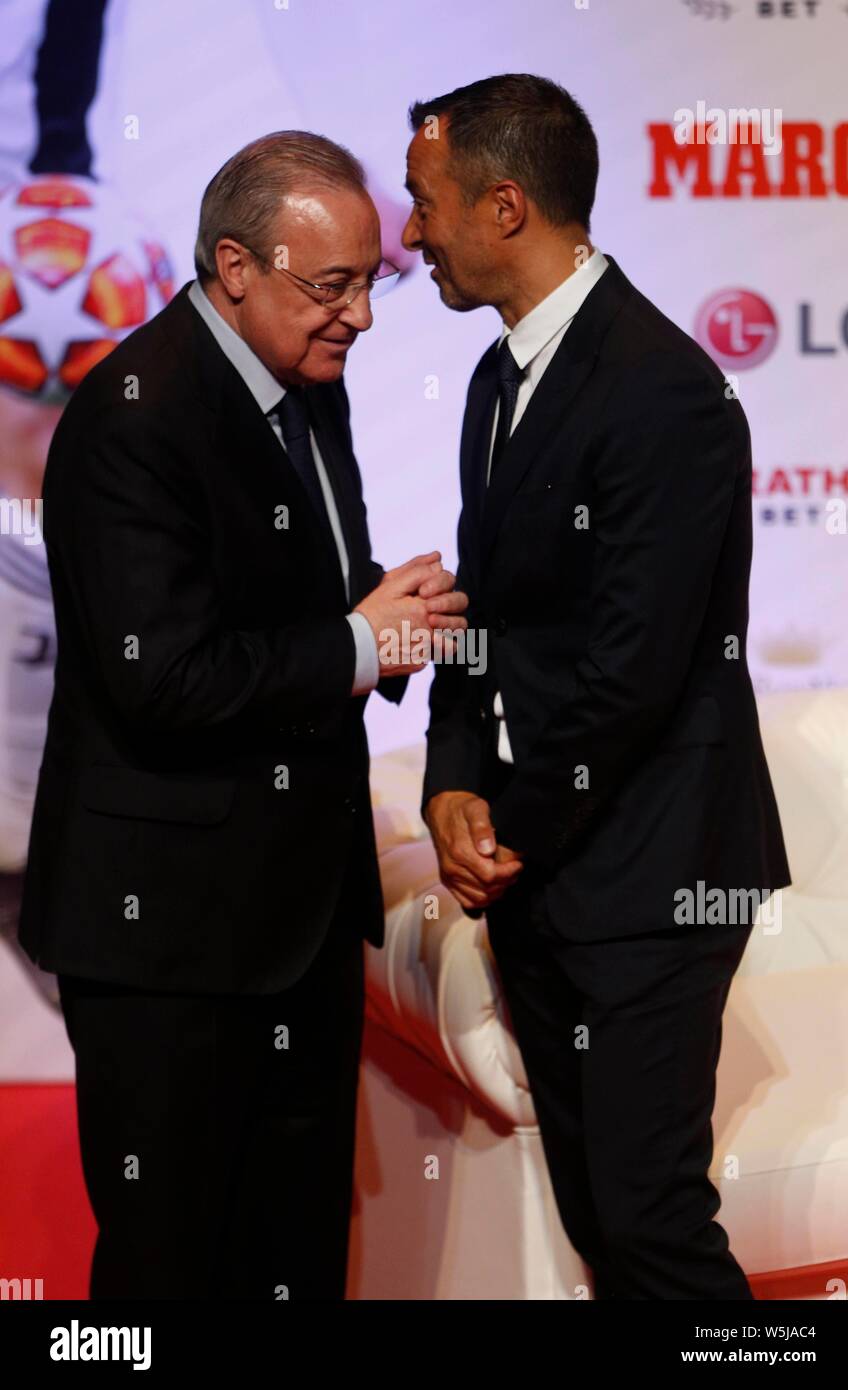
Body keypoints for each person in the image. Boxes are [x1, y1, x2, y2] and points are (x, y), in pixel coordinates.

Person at [18, 129, 466, 1300]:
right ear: (232, 266)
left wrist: (402, 623)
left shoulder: (306, 383)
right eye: (333, 286)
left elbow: (322, 602)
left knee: (294, 1252)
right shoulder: (133, 417)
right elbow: (158, 680)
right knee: (172, 1265)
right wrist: (360, 642)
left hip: (299, 915)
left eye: (371, 280)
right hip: (165, 932)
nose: (360, 315)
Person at [407, 74, 790, 1300]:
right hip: (548, 877)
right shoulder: (493, 379)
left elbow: (635, 667)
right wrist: (451, 782)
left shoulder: (661, 389)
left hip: (652, 879)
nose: (411, 235)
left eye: (424, 205)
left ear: (504, 206)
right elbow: (488, 612)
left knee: (648, 1223)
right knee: (600, 1220)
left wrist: (505, 827)